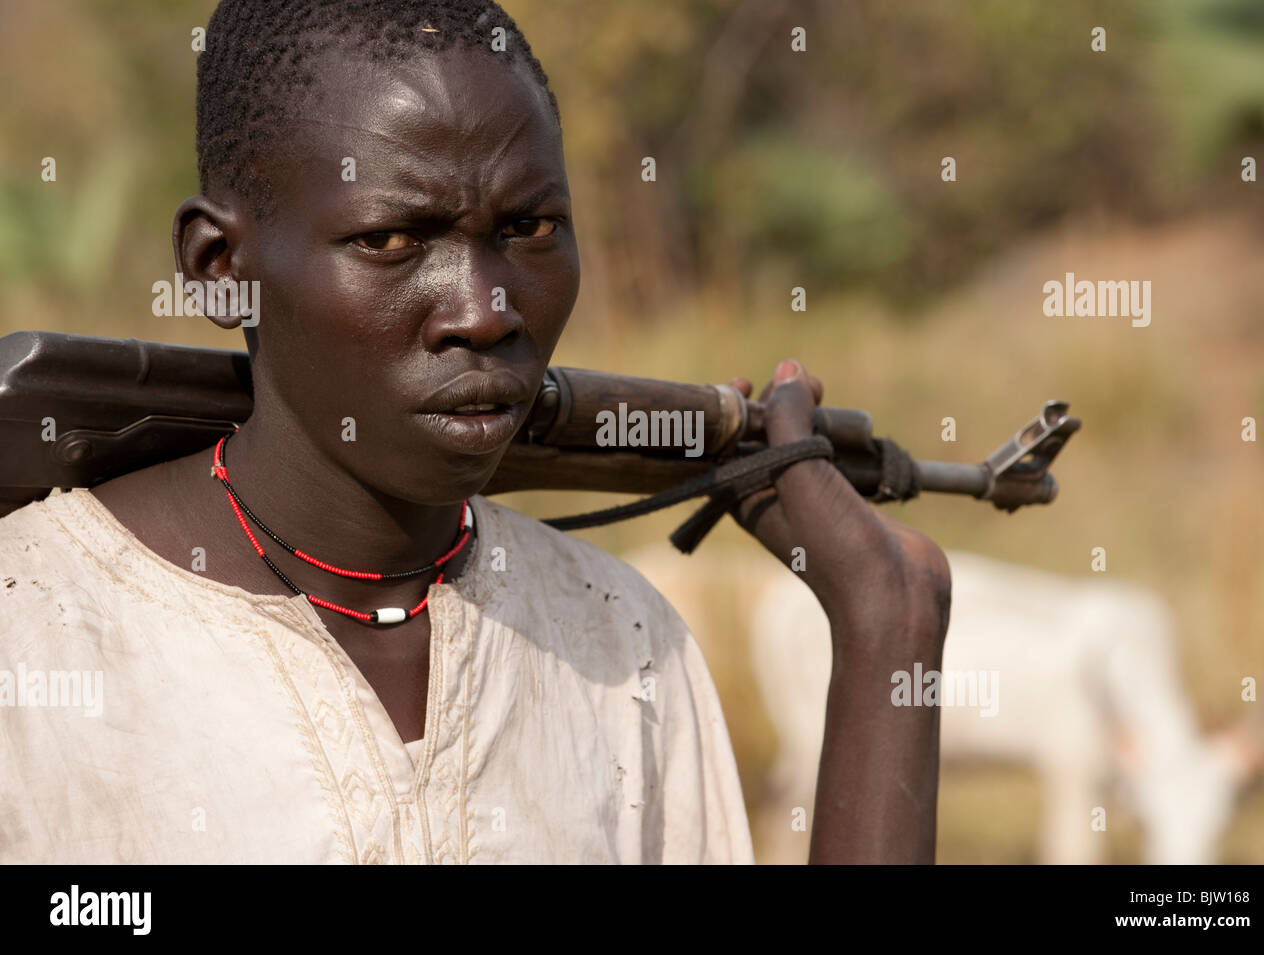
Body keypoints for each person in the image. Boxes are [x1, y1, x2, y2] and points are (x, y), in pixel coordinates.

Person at [0, 0, 950, 864]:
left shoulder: (623, 644)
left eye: (529, 228)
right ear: (220, 267)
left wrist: (889, 623)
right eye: (391, 240)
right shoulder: (31, 636)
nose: (485, 309)